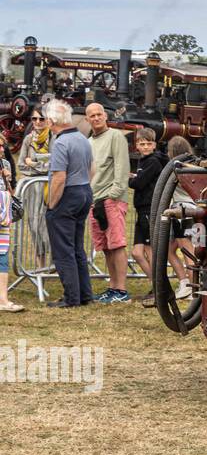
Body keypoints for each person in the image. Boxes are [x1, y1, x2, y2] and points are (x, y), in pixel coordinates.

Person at [43, 99, 95, 307]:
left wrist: (51, 205)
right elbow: (92, 169)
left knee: (63, 250)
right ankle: (85, 295)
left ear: (51, 120)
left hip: (69, 194)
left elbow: (59, 178)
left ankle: (71, 297)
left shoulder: (61, 142)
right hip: (84, 190)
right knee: (77, 248)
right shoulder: (82, 138)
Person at [84, 102, 132, 304]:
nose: (96, 118)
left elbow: (122, 168)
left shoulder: (116, 136)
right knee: (105, 247)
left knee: (117, 244)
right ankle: (113, 287)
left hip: (111, 200)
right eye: (91, 115)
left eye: (99, 114)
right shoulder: (88, 142)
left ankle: (121, 291)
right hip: (94, 202)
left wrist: (114, 194)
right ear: (87, 119)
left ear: (105, 116)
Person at [128, 128, 168, 307]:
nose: (144, 147)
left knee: (151, 250)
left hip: (149, 209)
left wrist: (129, 179)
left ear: (154, 145)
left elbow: (139, 183)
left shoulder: (153, 161)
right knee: (136, 252)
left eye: (148, 144)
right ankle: (157, 285)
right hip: (141, 209)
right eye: (141, 144)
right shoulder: (144, 161)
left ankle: (160, 289)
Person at [166, 136, 196, 298]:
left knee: (188, 253)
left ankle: (193, 289)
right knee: (170, 250)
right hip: (196, 211)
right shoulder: (195, 165)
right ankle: (185, 283)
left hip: (182, 212)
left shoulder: (175, 169)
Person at [0, 175, 22, 312]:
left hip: (3, 220)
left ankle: (2, 299)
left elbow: (11, 186)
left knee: (2, 258)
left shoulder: (4, 163)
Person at [18, 110, 51, 176]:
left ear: (48, 120)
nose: (37, 122)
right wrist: (42, 169)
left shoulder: (53, 138)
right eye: (34, 118)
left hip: (48, 183)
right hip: (31, 183)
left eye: (42, 119)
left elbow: (52, 167)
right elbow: (21, 166)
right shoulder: (28, 139)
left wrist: (31, 164)